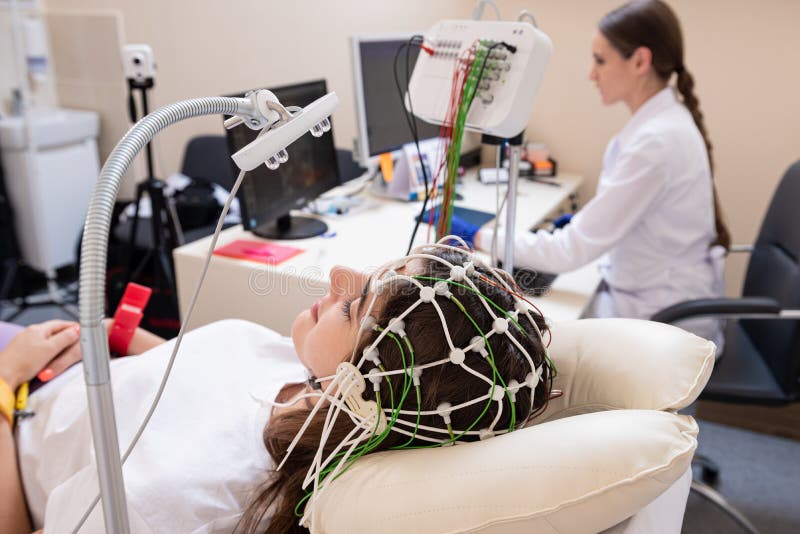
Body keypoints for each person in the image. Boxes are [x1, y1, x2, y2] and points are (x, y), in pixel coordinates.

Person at [0, 243, 553, 533]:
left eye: (353, 304)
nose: (338, 274)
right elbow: (198, 381)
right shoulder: (307, 388)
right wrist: (113, 338)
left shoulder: (165, 501)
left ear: (361, 385)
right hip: (65, 362)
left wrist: (4, 385)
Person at [452, 0, 728, 344]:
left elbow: (571, 250)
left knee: (538, 343)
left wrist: (475, 235)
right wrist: (584, 223)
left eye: (600, 60)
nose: (591, 73)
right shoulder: (665, 122)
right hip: (653, 296)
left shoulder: (656, 142)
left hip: (664, 324)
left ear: (640, 61)